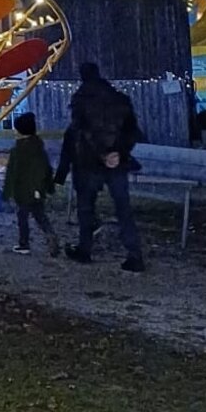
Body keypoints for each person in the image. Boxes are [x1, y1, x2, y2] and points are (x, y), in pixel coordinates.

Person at [54, 62, 144, 272]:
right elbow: (132, 131)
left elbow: (81, 133)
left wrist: (102, 155)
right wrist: (119, 153)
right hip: (117, 161)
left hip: (89, 162)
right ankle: (134, 253)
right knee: (123, 209)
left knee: (86, 207)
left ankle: (85, 249)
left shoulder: (81, 100)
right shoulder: (120, 99)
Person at [1, 112, 59, 255]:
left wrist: (6, 193)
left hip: (23, 191)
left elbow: (12, 173)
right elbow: (47, 168)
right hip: (38, 189)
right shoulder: (39, 148)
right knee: (40, 216)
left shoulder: (18, 150)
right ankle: (50, 234)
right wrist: (49, 187)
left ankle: (24, 243)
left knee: (22, 217)